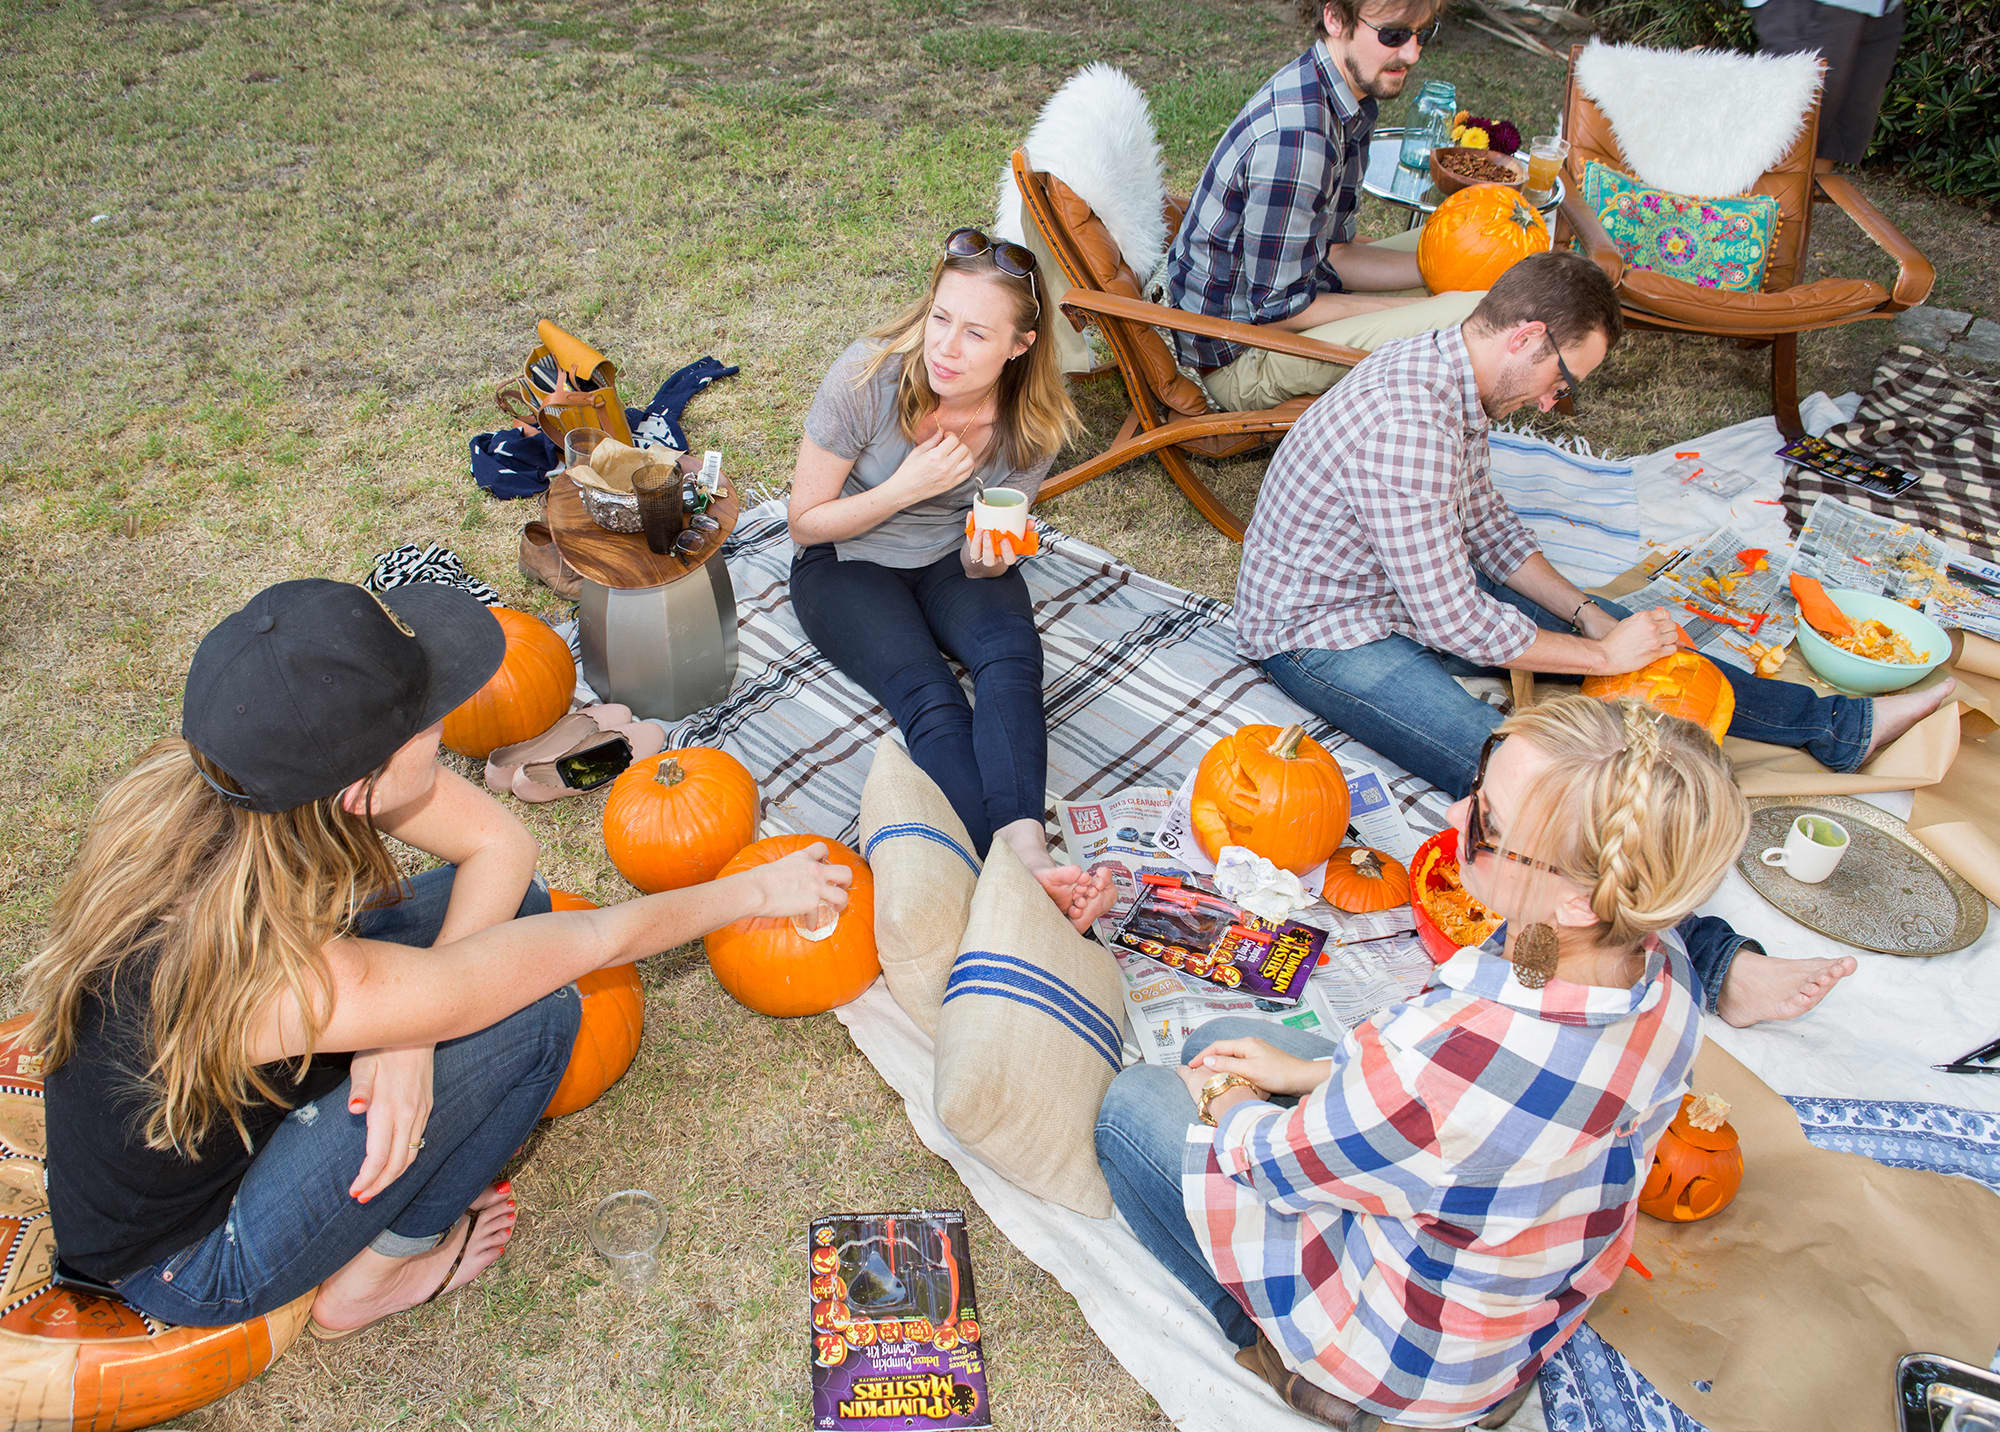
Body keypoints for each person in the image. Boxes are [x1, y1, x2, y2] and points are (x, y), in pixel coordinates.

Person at [25, 580, 849, 1335]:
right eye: (426, 713)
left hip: (239, 1091)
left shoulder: (237, 784)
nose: (448, 714)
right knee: (541, 1017)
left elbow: (502, 845)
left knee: (510, 910)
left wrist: (411, 1035)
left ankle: (406, 1031)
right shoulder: (274, 977)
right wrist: (753, 893)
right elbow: (594, 942)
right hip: (192, 1256)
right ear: (360, 786)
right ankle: (374, 1281)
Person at [1237, 249, 1953, 1020]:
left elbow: (1486, 528)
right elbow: (1457, 621)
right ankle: (1717, 965)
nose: (1554, 403)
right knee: (1520, 777)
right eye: (1564, 381)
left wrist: (1587, 618)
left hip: (1394, 588)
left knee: (1644, 646)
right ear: (1528, 336)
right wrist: (1602, 657)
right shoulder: (1408, 424)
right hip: (1320, 631)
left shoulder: (1456, 378)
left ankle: (1836, 726)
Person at [1096, 696, 1751, 1429]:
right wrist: (1305, 1074)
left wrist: (1222, 1095)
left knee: (1137, 1105)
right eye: (1478, 785)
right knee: (1224, 1034)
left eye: (1488, 824)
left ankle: (1289, 1358)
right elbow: (1451, 1100)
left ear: (1573, 902)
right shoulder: (1668, 973)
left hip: (1406, 1354)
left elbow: (1272, 1163)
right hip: (1518, 1308)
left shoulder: (1438, 1060)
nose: (1451, 812)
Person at [787, 226, 1114, 932]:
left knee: (1010, 659)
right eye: (940, 318)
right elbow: (805, 522)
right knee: (931, 696)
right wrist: (906, 487)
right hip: (847, 559)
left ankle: (1028, 846)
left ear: (1018, 347)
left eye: (974, 333)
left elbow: (981, 556)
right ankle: (1006, 873)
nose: (945, 347)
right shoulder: (864, 379)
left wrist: (993, 556)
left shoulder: (1031, 421)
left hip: (948, 556)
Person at [1161, 0, 1486, 413]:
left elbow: (1334, 252)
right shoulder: (1300, 141)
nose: (1412, 53)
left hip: (1287, 301)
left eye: (1423, 33)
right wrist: (1424, 310)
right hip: (1243, 358)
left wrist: (1447, 271)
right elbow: (1277, 309)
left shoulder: (1340, 96)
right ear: (1335, 18)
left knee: (1456, 245)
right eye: (1393, 35)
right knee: (1471, 311)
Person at [1746, 0, 1905, 165]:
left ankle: (1808, 190)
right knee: (1784, 146)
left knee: (1832, 144)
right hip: (1812, 7)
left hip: (1879, 9)